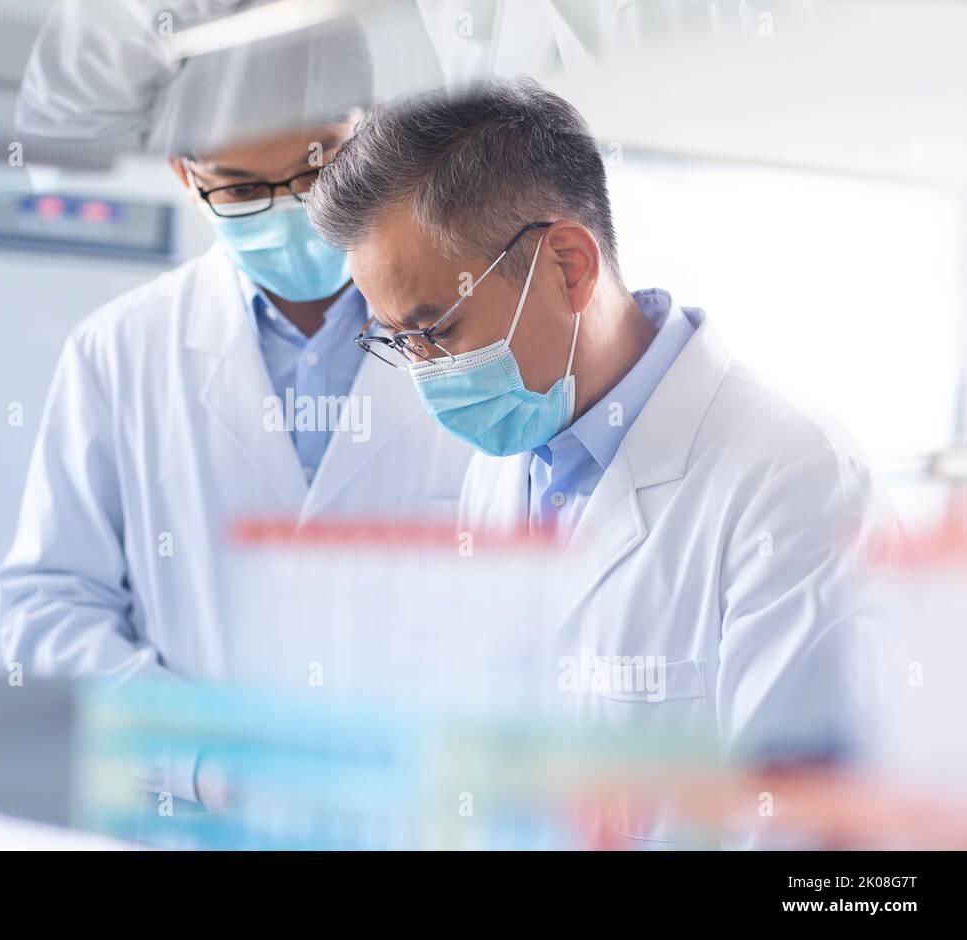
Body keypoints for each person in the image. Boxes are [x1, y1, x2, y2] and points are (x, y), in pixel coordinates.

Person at [306, 77, 898, 845]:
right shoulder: (510, 458)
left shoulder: (794, 482)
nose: (424, 373)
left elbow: (819, 851)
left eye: (438, 330)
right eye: (398, 343)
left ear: (570, 264)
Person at [0, 119, 473, 811]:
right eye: (245, 187)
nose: (294, 210)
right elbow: (50, 607)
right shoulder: (118, 351)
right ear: (186, 176)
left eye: (317, 175)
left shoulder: (473, 325)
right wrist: (204, 758)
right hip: (198, 815)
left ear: (369, 140)